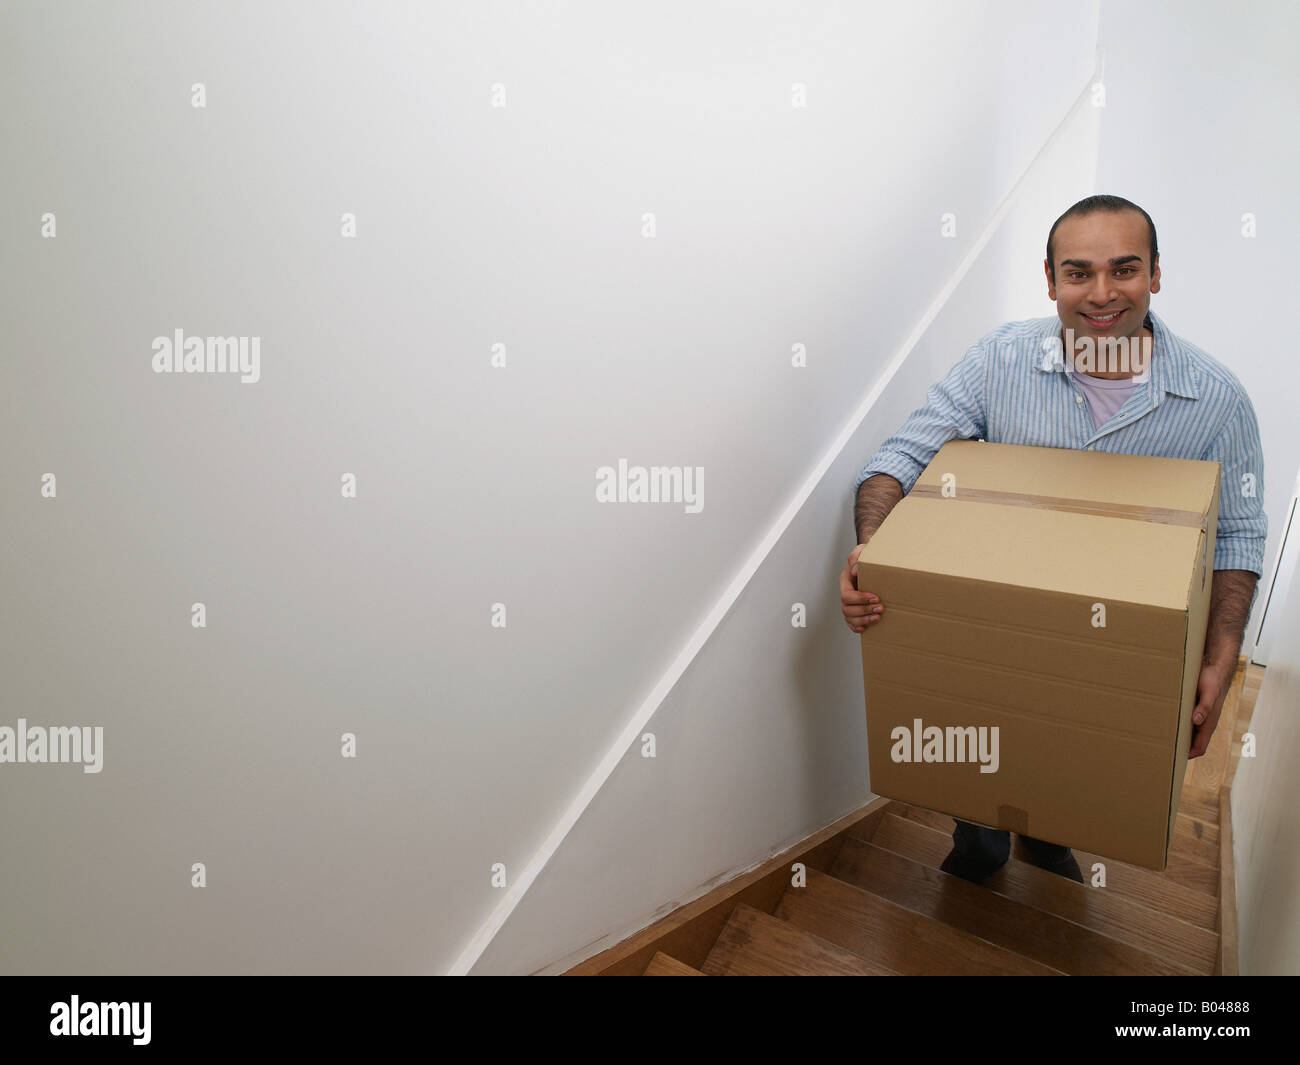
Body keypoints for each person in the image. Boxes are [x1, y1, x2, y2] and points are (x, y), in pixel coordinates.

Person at [840, 194, 1267, 885]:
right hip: (995, 631)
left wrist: (1219, 659)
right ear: (1049, 279)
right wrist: (871, 554)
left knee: (1082, 762)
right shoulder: (999, 360)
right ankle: (981, 844)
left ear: (1156, 274)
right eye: (1079, 273)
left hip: (1120, 651)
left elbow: (1240, 538)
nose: (1102, 294)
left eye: (1124, 269)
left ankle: (1053, 838)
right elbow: (895, 462)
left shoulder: (1218, 400)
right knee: (980, 759)